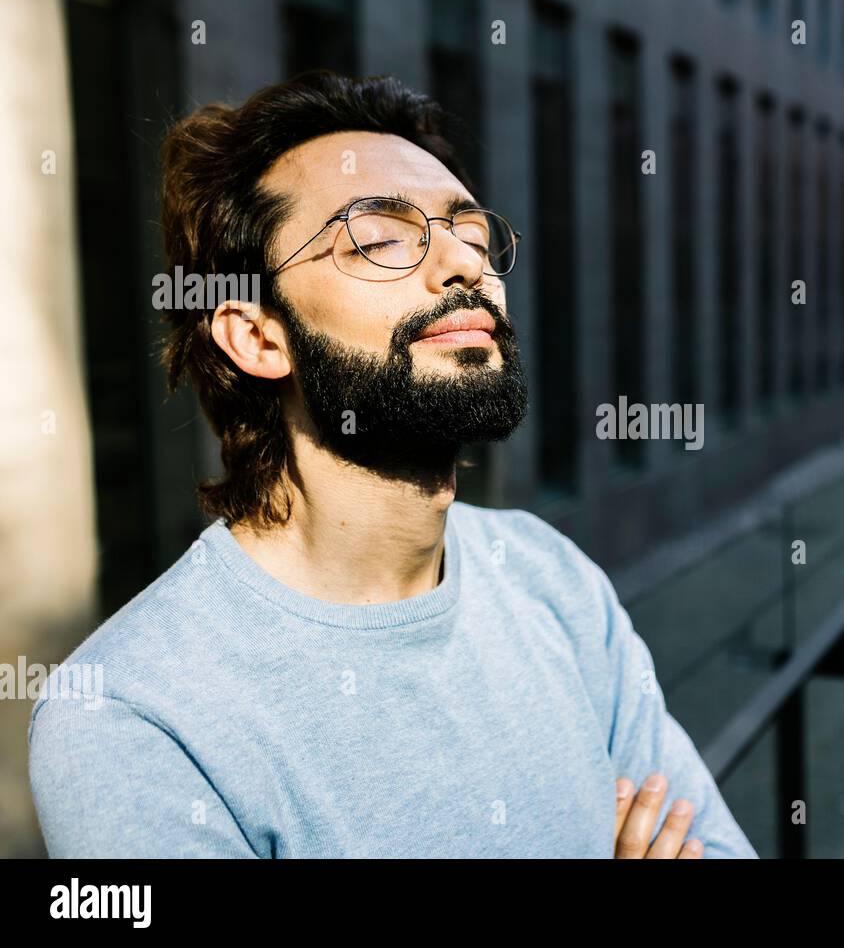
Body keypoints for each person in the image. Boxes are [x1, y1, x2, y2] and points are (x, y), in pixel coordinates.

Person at [27, 71, 757, 859]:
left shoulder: (551, 578)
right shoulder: (131, 715)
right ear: (257, 336)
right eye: (379, 237)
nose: (462, 266)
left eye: (472, 237)